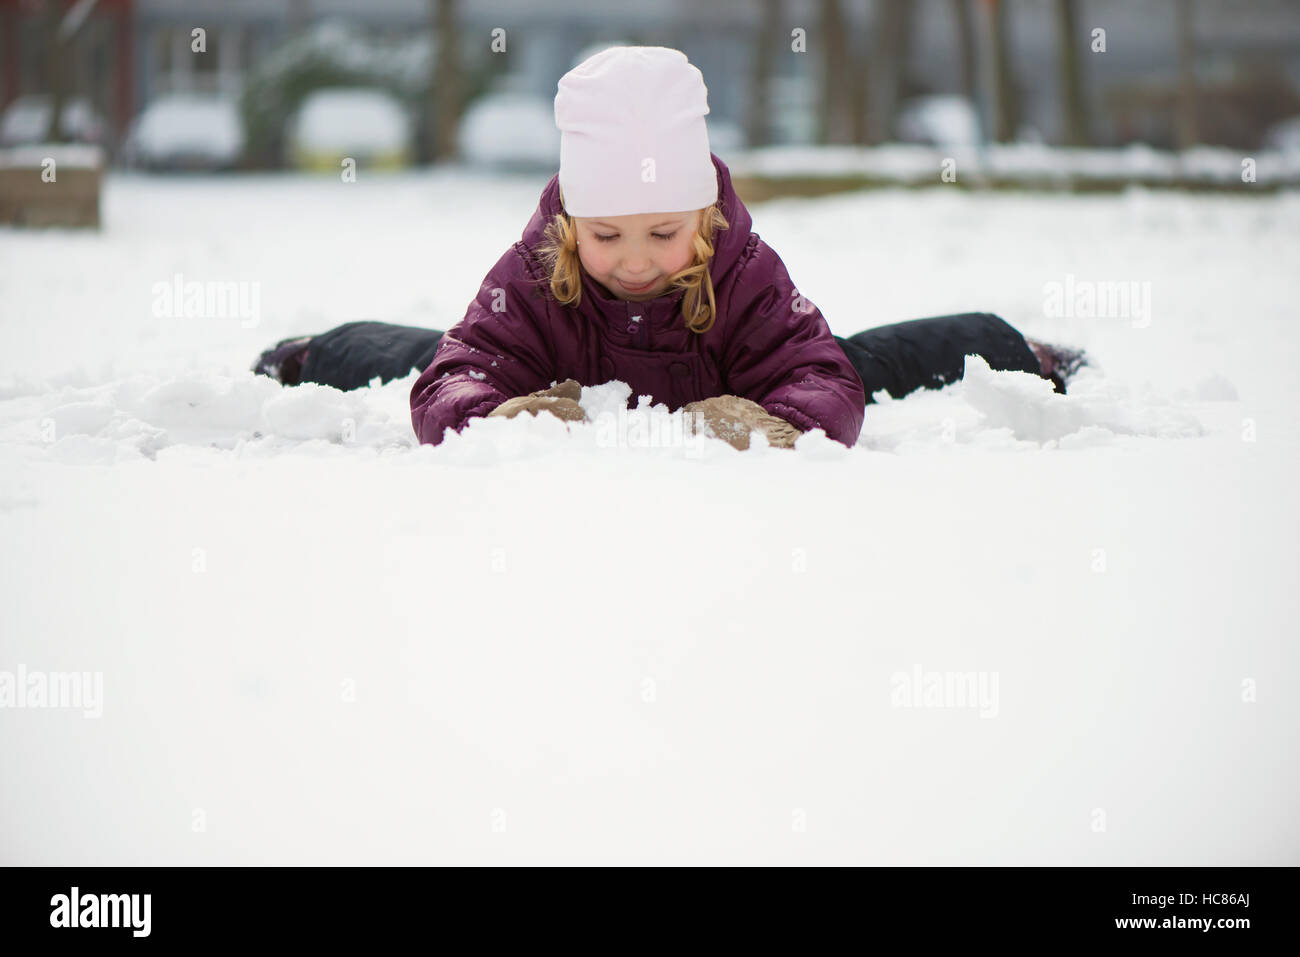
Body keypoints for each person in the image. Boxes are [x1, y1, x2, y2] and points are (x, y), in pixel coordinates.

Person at [253, 46, 1087, 451]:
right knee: (427, 353)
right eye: (606, 235)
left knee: (861, 360)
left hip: (732, 382)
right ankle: (311, 353)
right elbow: (455, 374)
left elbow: (822, 378)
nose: (636, 259)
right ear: (571, 223)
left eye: (663, 233)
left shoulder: (744, 269)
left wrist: (778, 422)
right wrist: (492, 411)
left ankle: (1023, 349)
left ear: (705, 215)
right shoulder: (535, 272)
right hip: (556, 376)